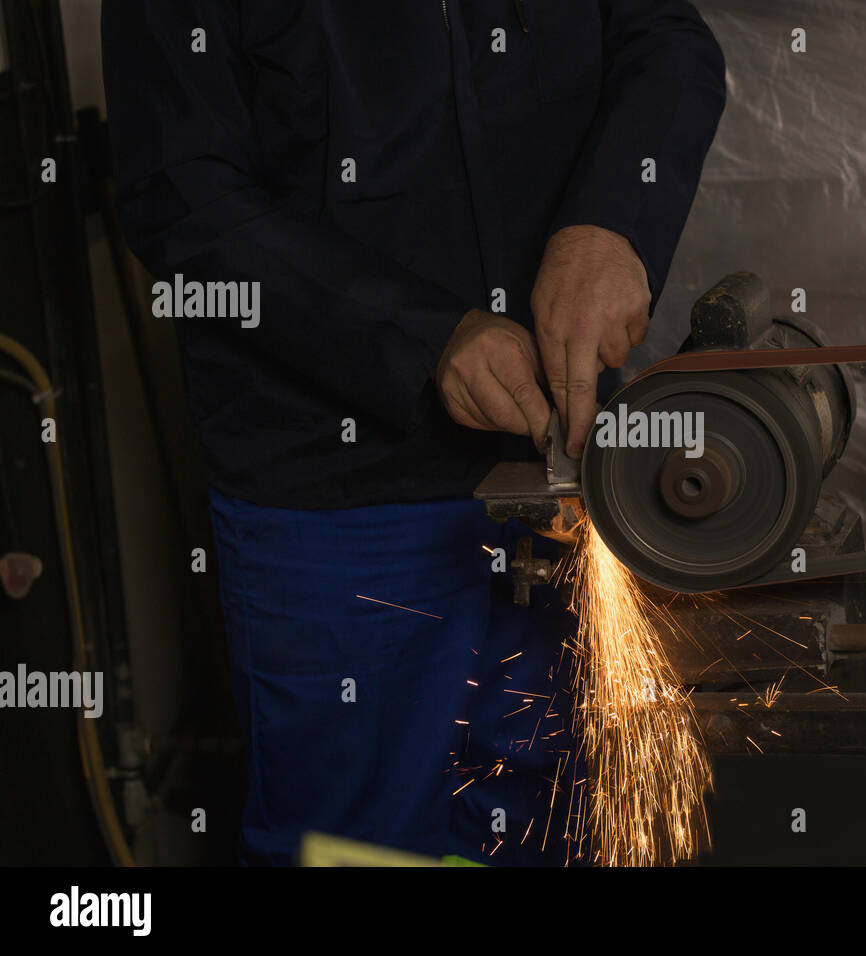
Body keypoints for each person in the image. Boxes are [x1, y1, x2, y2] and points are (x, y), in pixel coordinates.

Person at [102, 0, 725, 865]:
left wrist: (613, 221)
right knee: (363, 845)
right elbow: (181, 193)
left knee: (569, 824)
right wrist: (419, 337)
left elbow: (666, 39)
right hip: (334, 503)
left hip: (563, 475)